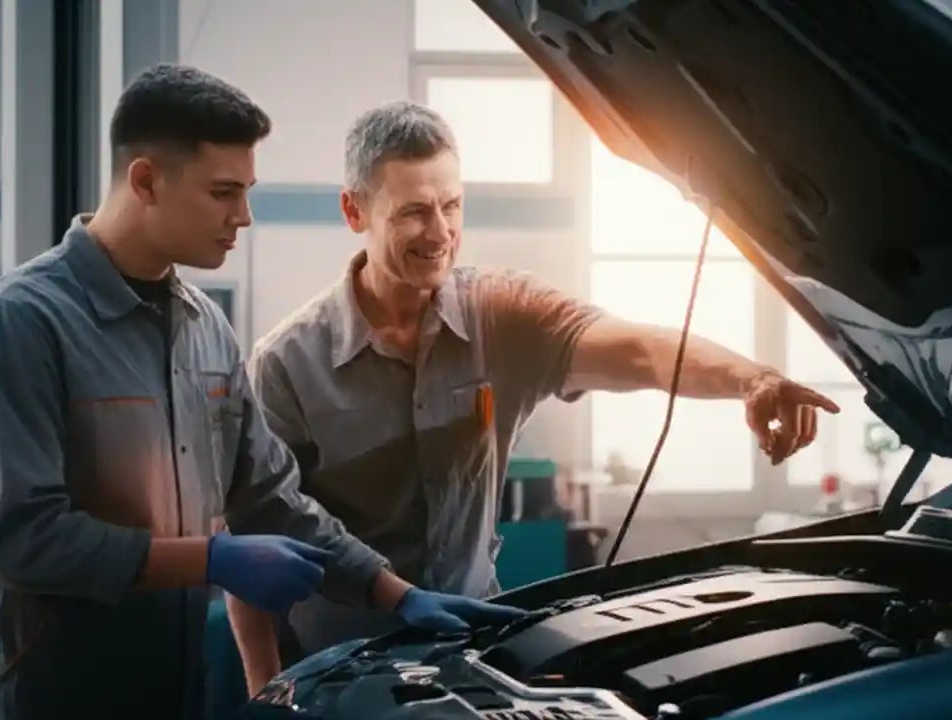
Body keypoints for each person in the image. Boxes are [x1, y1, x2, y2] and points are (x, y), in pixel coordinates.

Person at [0, 69, 524, 720]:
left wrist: (394, 593)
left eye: (246, 192)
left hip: (172, 690)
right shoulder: (21, 324)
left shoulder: (204, 328)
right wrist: (211, 559)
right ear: (145, 181)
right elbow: (24, 540)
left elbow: (271, 498)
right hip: (54, 698)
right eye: (223, 193)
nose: (243, 217)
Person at [225, 100, 842, 692]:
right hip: (343, 676)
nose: (439, 233)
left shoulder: (502, 315)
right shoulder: (285, 365)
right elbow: (254, 537)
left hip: (470, 656)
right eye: (413, 212)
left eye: (452, 206)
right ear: (354, 211)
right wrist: (262, 692)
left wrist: (750, 378)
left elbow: (638, 349)